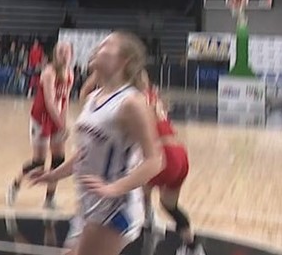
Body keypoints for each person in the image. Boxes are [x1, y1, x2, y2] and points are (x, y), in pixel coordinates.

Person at [29, 32, 163, 255]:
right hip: (89, 204)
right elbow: (85, 153)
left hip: (115, 207)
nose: (98, 48)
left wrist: (113, 188)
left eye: (106, 45)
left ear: (123, 61)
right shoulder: (93, 97)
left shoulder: (131, 102)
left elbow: (155, 160)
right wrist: (54, 174)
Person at [137, 72, 204, 255]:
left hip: (165, 157)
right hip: (180, 156)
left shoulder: (136, 100)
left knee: (133, 186)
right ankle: (193, 247)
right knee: (169, 205)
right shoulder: (154, 96)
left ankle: (148, 219)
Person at [8, 40, 74, 210]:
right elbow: (50, 102)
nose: (64, 55)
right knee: (39, 162)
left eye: (67, 52)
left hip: (56, 118)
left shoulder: (70, 74)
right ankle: (15, 184)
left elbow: (64, 102)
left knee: (58, 160)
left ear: (71, 54)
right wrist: (61, 124)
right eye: (61, 52)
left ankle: (49, 199)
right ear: (55, 54)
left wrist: (64, 123)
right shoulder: (49, 72)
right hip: (41, 118)